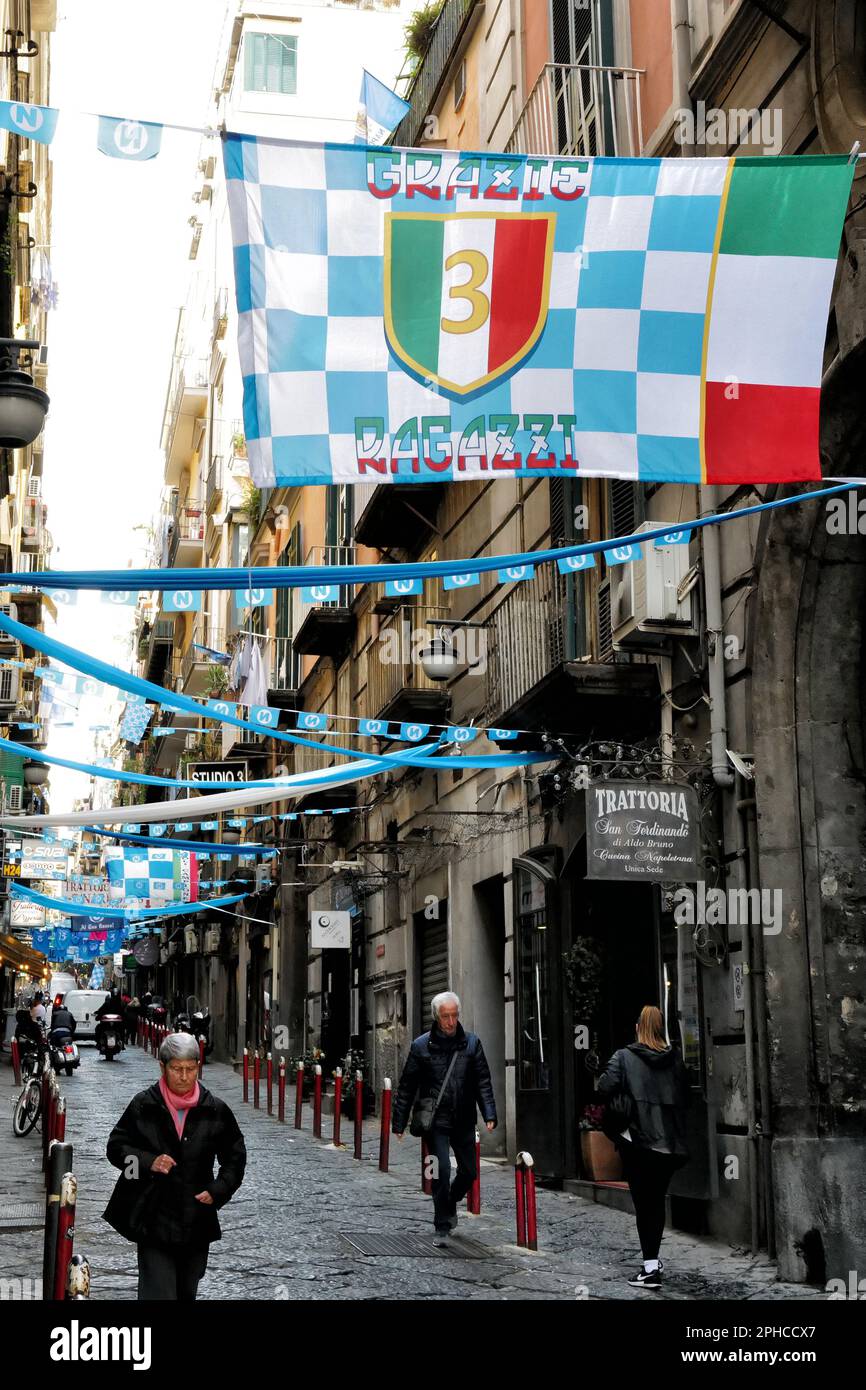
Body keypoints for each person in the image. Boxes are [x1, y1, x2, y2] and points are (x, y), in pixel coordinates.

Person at [103, 1032, 246, 1300]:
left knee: (185, 1293)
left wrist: (218, 1190)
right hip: (153, 1216)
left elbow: (235, 1158)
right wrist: (147, 1162)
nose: (183, 1076)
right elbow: (116, 1150)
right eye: (176, 1069)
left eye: (190, 1069)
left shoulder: (215, 1110)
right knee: (159, 1293)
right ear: (163, 1067)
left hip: (196, 1217)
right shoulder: (144, 1105)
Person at [595, 1004, 690, 1291]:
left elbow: (604, 1087)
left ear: (639, 1028)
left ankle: (650, 1267)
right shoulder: (675, 1060)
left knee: (643, 1204)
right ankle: (653, 1260)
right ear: (662, 1029)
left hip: (637, 1142)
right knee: (656, 1203)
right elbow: (685, 1095)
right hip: (668, 1145)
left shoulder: (624, 1057)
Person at [392, 991, 497, 1246]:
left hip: (463, 1118)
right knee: (440, 1170)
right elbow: (407, 1086)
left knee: (470, 1171)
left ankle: (449, 1203)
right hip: (435, 1121)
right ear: (436, 1017)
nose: (451, 1022)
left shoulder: (472, 1044)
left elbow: (483, 1080)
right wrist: (399, 1122)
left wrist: (489, 1113)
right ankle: (441, 1223)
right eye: (445, 1016)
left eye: (454, 1016)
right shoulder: (421, 1046)